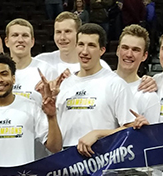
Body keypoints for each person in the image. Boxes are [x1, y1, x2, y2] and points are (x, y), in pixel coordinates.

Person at [55, 23, 144, 157]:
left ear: (102, 50)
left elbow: (131, 128)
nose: (85, 51)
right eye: (81, 45)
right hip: (67, 162)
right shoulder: (64, 85)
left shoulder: (115, 84)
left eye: (91, 45)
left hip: (101, 163)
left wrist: (97, 134)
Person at [0, 53, 62, 166]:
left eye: (4, 74)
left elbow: (55, 148)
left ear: (13, 78)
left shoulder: (31, 107)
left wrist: (52, 116)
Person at [36, 12, 111, 75]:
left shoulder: (99, 66)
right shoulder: (41, 61)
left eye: (67, 31)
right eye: (58, 32)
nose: (62, 37)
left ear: (78, 34)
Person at [4, 19, 58, 104]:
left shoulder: (47, 70)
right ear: (6, 42)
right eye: (15, 35)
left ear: (32, 41)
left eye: (25, 35)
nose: (20, 40)